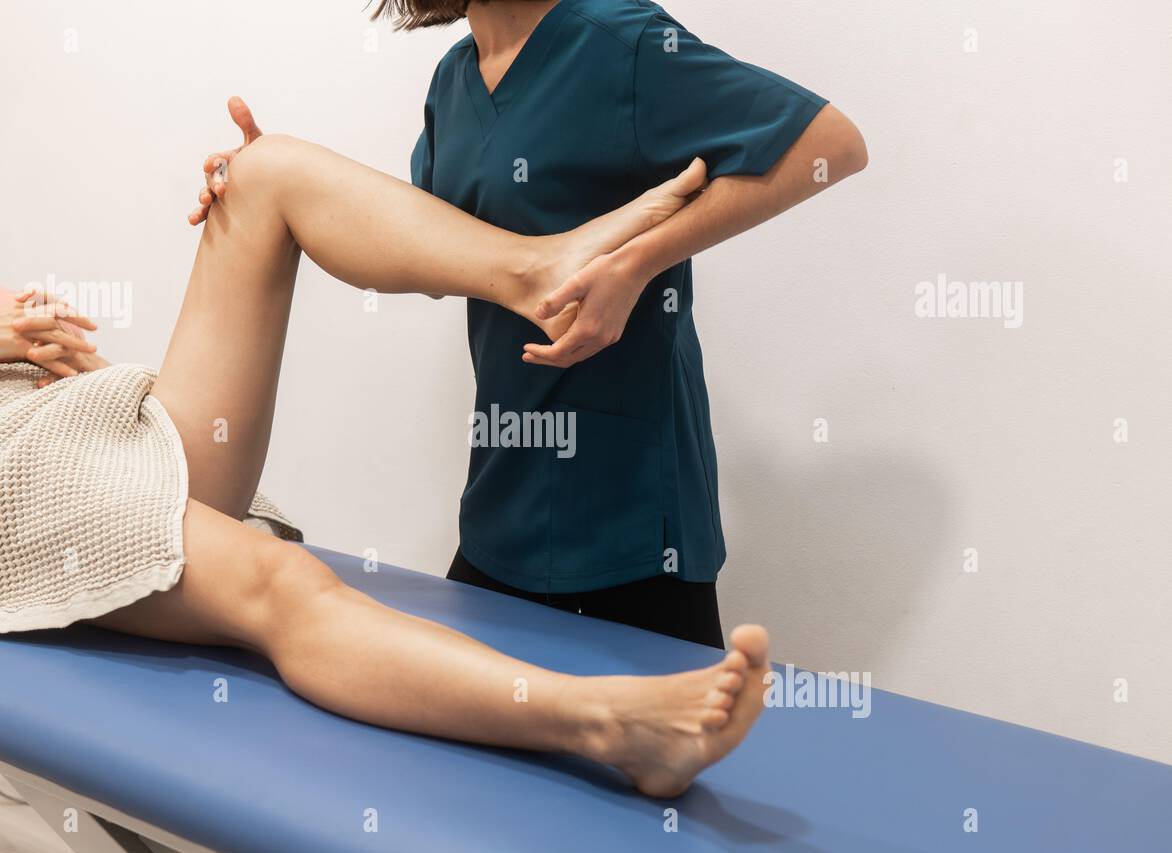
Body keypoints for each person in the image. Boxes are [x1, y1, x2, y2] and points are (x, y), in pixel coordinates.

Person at [0, 132, 769, 797]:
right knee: (278, 582)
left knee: (261, 178)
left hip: (82, 421)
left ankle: (537, 272)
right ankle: (608, 723)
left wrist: (53, 362)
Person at [197, 1, 867, 646]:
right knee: (468, 749)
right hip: (502, 502)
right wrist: (262, 191)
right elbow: (429, 249)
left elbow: (830, 143)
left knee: (657, 748)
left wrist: (636, 263)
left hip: (630, 524)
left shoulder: (616, 38)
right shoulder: (456, 77)